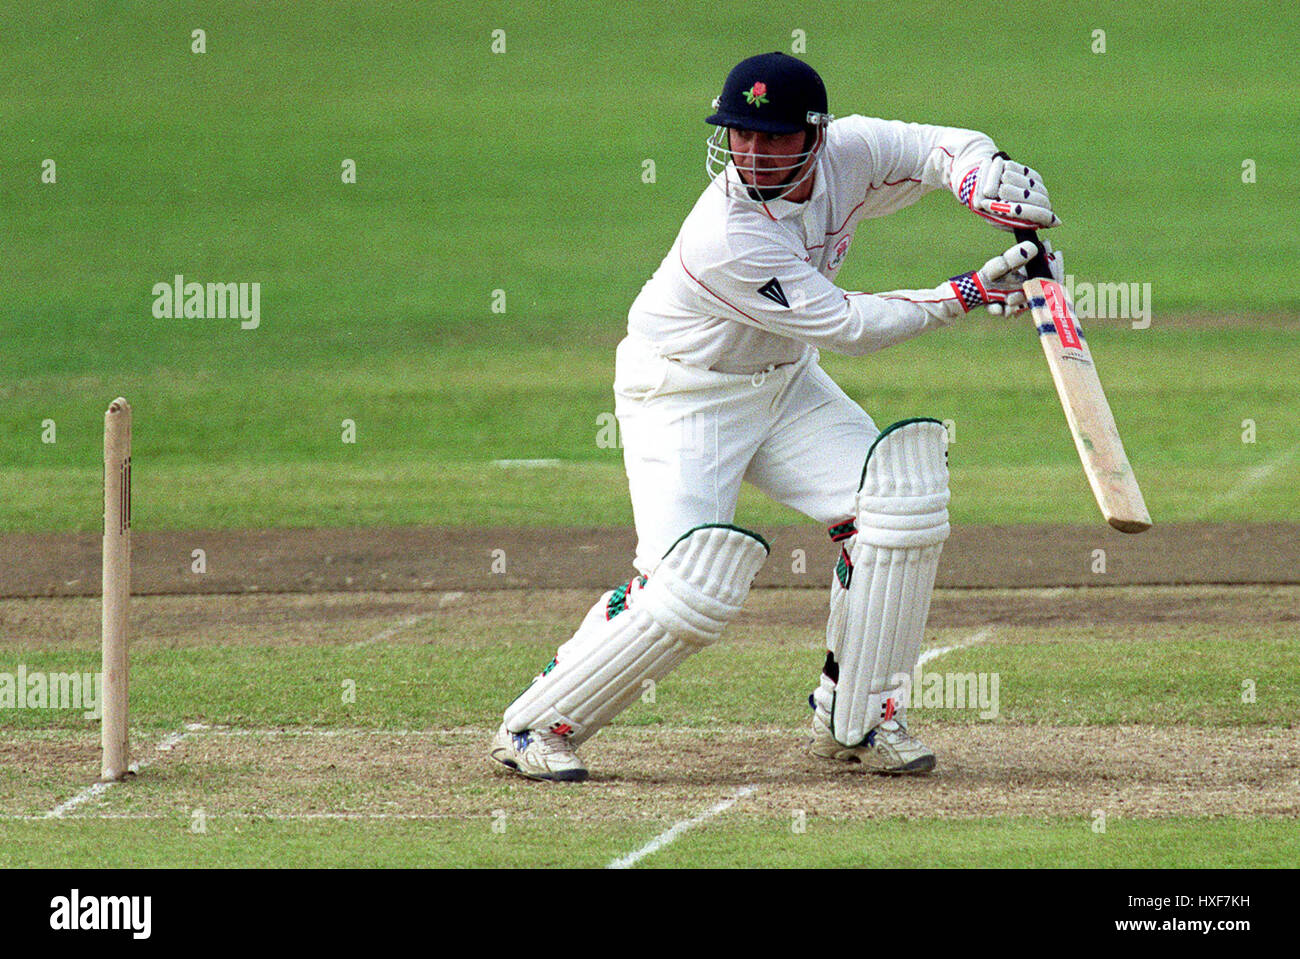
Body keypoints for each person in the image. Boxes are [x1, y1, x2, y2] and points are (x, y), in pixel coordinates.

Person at [490, 51, 1061, 782]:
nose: (751, 153)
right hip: (684, 396)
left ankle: (856, 719)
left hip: (783, 381)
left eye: (771, 137)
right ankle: (534, 724)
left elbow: (936, 146)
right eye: (738, 135)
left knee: (901, 502)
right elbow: (850, 326)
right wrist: (973, 292)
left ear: (815, 137)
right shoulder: (726, 234)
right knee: (689, 586)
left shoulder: (852, 149)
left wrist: (981, 177)